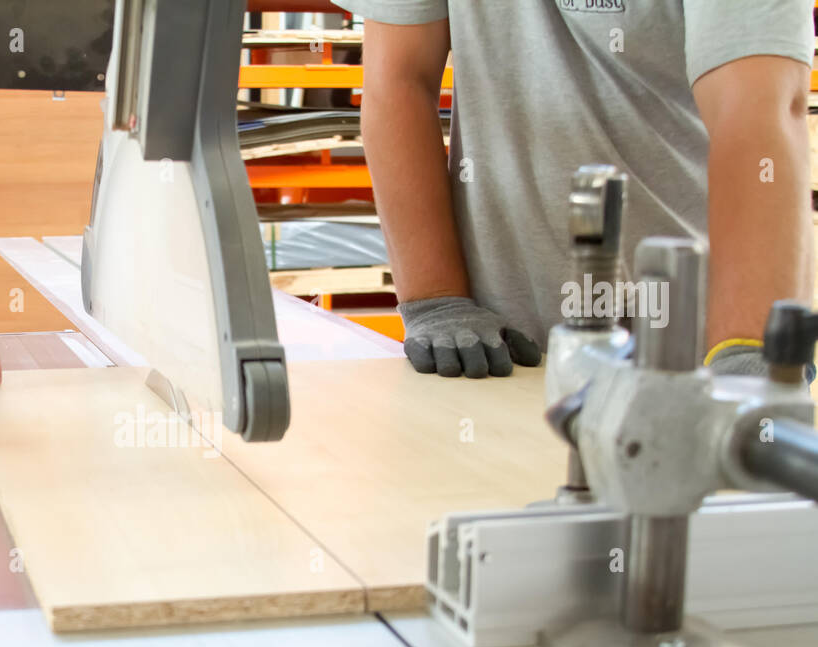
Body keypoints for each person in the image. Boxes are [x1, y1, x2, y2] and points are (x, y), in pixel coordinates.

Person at [340, 0, 816, 379]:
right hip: (501, 354)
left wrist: (747, 352)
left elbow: (757, 113)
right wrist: (439, 300)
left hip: (699, 338)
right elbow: (400, 78)